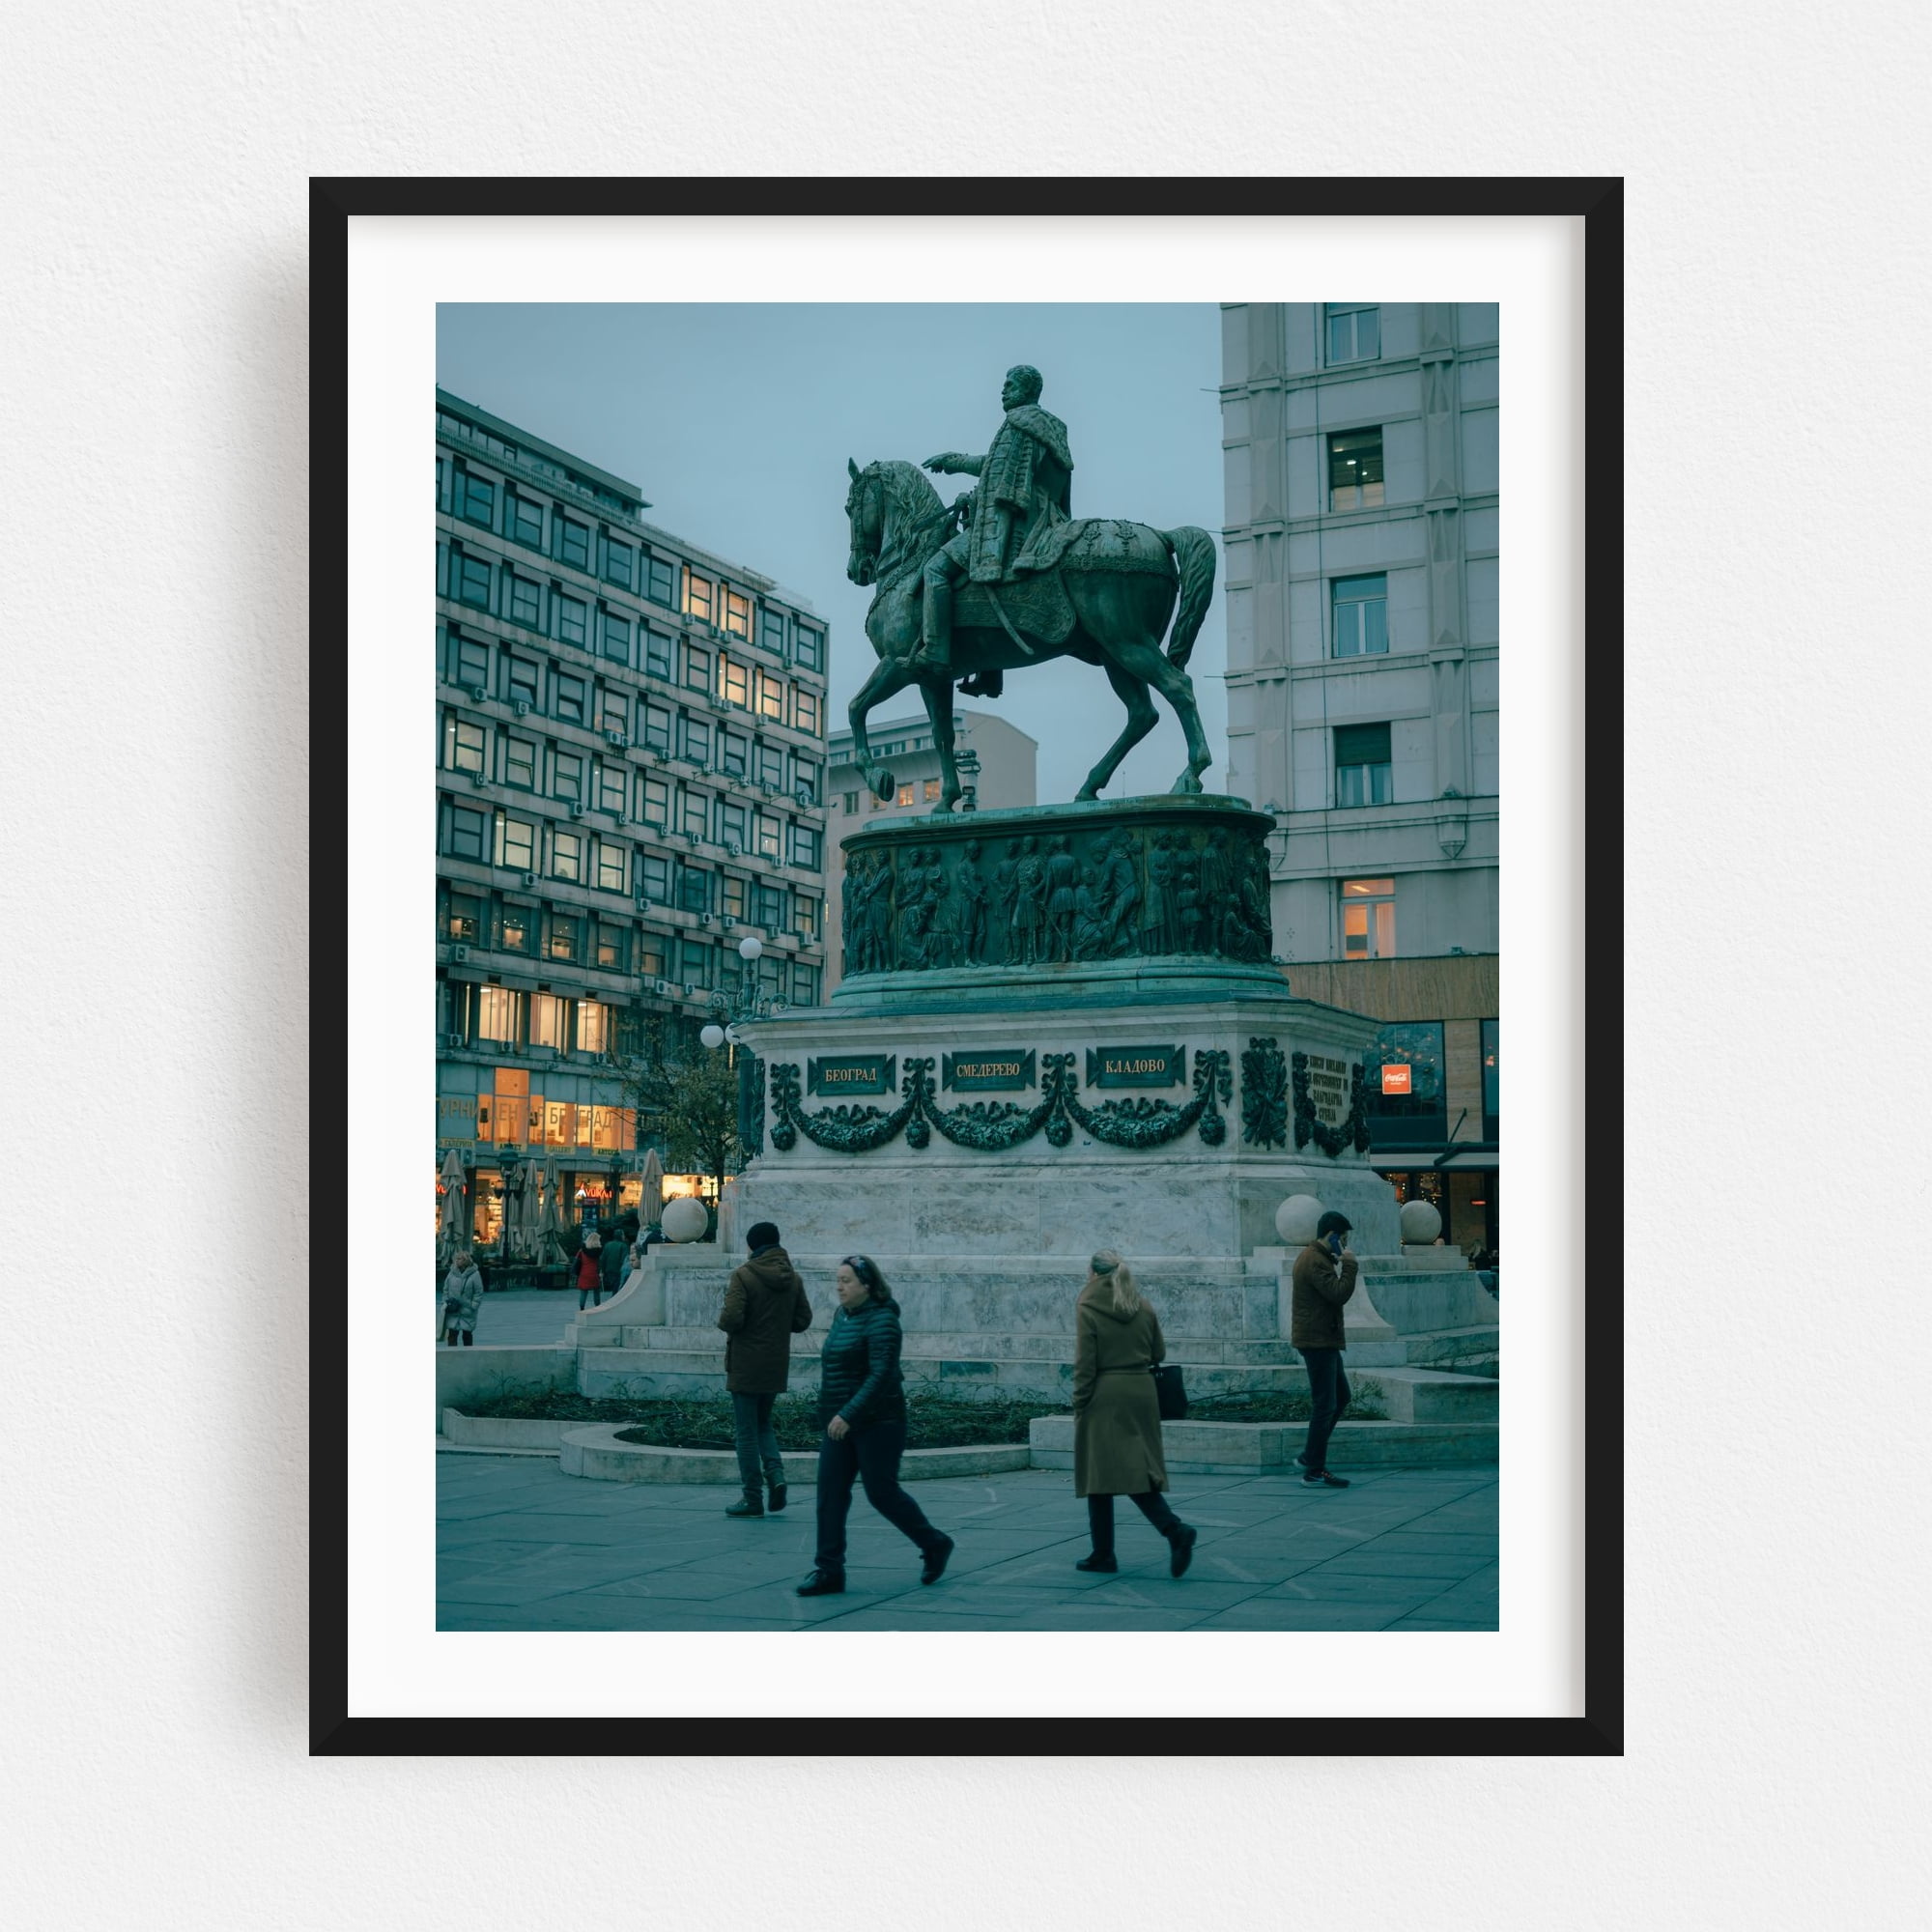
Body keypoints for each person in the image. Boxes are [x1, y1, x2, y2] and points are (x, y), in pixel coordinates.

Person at [795, 1256, 954, 1597]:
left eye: (847, 1281)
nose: (839, 1286)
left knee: (882, 1493)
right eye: (837, 1280)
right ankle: (829, 1570)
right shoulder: (843, 1316)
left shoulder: (883, 1321)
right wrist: (830, 1415)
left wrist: (848, 1414)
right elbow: (835, 1371)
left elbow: (881, 1375)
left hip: (879, 1423)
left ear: (867, 1285)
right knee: (829, 1496)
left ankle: (935, 1543)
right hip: (840, 1424)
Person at [915, 364, 1077, 673]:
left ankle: (935, 648)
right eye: (1004, 384)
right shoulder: (1045, 427)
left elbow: (1003, 482)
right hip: (1046, 515)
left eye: (1010, 384)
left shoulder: (1020, 423)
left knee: (935, 569)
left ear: (1027, 390)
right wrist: (955, 461)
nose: (1003, 390)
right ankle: (988, 673)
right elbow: (996, 467)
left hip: (1017, 521)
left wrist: (972, 497)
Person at [1069, 1251, 1197, 1577]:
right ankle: (1112, 1550)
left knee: (1101, 1474)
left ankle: (1164, 1533)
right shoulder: (1141, 1304)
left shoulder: (1088, 1307)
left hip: (1106, 1393)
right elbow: (1159, 1352)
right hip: (1142, 1390)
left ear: (1092, 1273)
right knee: (1135, 1469)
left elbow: (1086, 1362)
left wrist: (1079, 1400)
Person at [717, 1221, 814, 1519]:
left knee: (746, 1432)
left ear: (752, 1245)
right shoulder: (792, 1278)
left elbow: (732, 1318)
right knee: (764, 1424)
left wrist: (724, 1320)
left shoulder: (744, 1276)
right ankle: (776, 1475)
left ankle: (752, 1497)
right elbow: (803, 1321)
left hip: (746, 1363)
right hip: (775, 1363)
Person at [1292, 1210, 1359, 1487]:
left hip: (1323, 1338)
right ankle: (1314, 1469)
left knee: (1340, 1397)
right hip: (1317, 1341)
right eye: (1342, 1239)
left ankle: (1310, 1456)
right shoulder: (1314, 1261)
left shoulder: (1318, 1257)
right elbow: (1338, 1293)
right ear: (1331, 1236)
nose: (1344, 1245)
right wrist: (1350, 1265)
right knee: (1325, 1404)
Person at [441, 1250, 484, 1348]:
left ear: (465, 1260)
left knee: (467, 1335)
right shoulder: (452, 1273)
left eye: (459, 1258)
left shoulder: (475, 1274)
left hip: (467, 1309)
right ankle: (452, 1357)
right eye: (456, 1258)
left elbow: (478, 1292)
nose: (456, 1261)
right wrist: (445, 1302)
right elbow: (446, 1288)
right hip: (453, 1309)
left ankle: (468, 1356)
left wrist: (473, 1306)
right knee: (452, 1335)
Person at [573, 1227, 604, 1311]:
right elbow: (600, 1263)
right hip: (594, 1273)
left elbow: (576, 1261)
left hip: (584, 1273)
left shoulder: (582, 1250)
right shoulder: (598, 1251)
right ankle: (597, 1307)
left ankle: (582, 1308)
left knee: (583, 1291)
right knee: (596, 1291)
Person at [597, 1221, 626, 1303]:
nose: (624, 1236)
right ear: (621, 1236)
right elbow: (624, 1259)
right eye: (623, 1235)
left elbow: (603, 1258)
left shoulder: (607, 1245)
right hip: (618, 1270)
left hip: (608, 1270)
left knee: (614, 1287)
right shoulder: (623, 1246)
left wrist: (602, 1270)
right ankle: (613, 1302)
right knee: (617, 1288)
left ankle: (613, 1300)